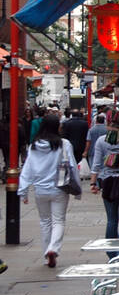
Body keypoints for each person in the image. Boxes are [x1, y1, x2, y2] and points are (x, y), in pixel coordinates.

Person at [19, 114, 78, 268]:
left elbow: (27, 169)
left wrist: (23, 191)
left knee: (45, 222)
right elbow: (72, 166)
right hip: (59, 188)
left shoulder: (34, 145)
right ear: (56, 126)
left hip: (40, 190)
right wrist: (77, 189)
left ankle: (47, 254)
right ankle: (54, 248)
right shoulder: (64, 144)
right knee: (58, 221)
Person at [90, 123, 119, 253]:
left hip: (108, 182)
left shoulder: (101, 140)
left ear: (110, 126)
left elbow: (96, 164)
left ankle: (111, 252)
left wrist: (93, 183)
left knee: (112, 219)